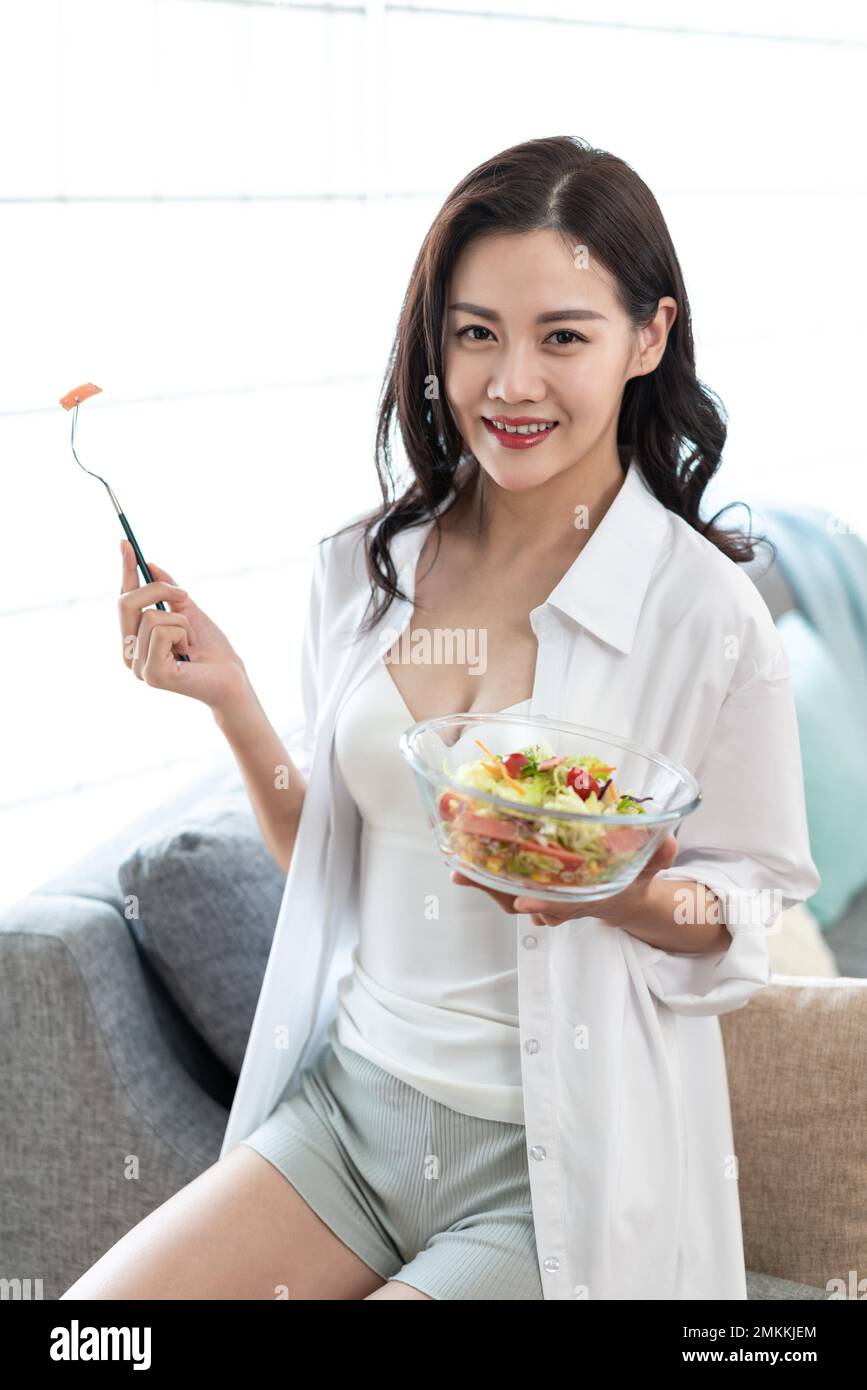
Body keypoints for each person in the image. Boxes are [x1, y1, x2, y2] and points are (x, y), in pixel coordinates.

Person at [61, 135, 819, 1301]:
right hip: (352, 1120)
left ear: (649, 336)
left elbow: (752, 898)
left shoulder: (702, 612)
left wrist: (622, 894)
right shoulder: (367, 565)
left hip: (555, 1161)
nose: (511, 383)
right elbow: (334, 856)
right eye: (476, 334)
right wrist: (231, 697)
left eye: (563, 335)